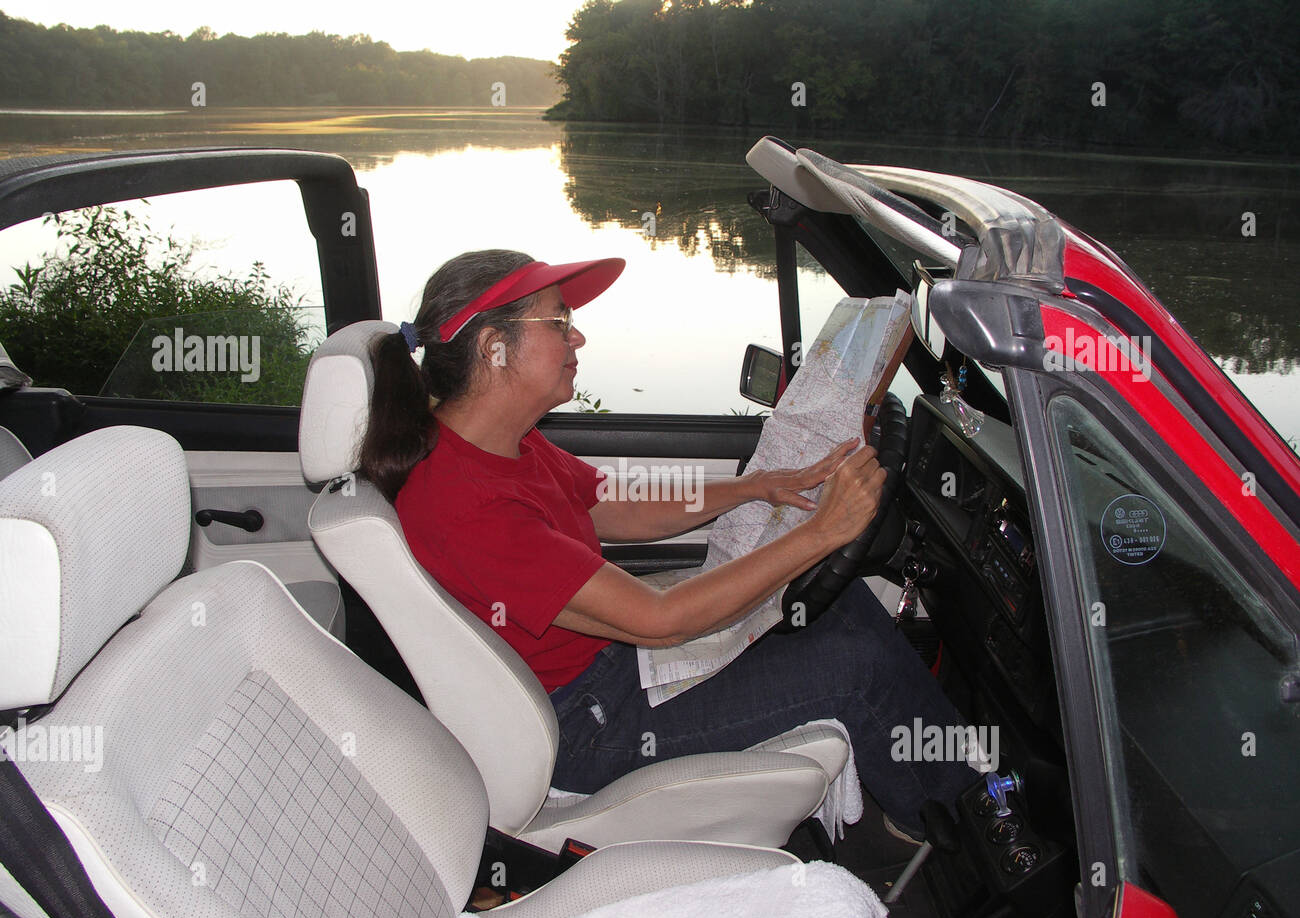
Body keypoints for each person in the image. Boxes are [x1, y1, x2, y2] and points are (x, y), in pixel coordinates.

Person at [359, 248, 977, 838]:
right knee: (856, 666)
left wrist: (754, 487)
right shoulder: (465, 504)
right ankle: (971, 816)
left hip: (607, 673)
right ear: (495, 349)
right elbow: (661, 622)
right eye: (559, 322)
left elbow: (613, 506)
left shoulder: (501, 442)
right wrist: (824, 531)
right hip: (586, 727)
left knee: (843, 609)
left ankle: (938, 788)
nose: (577, 339)